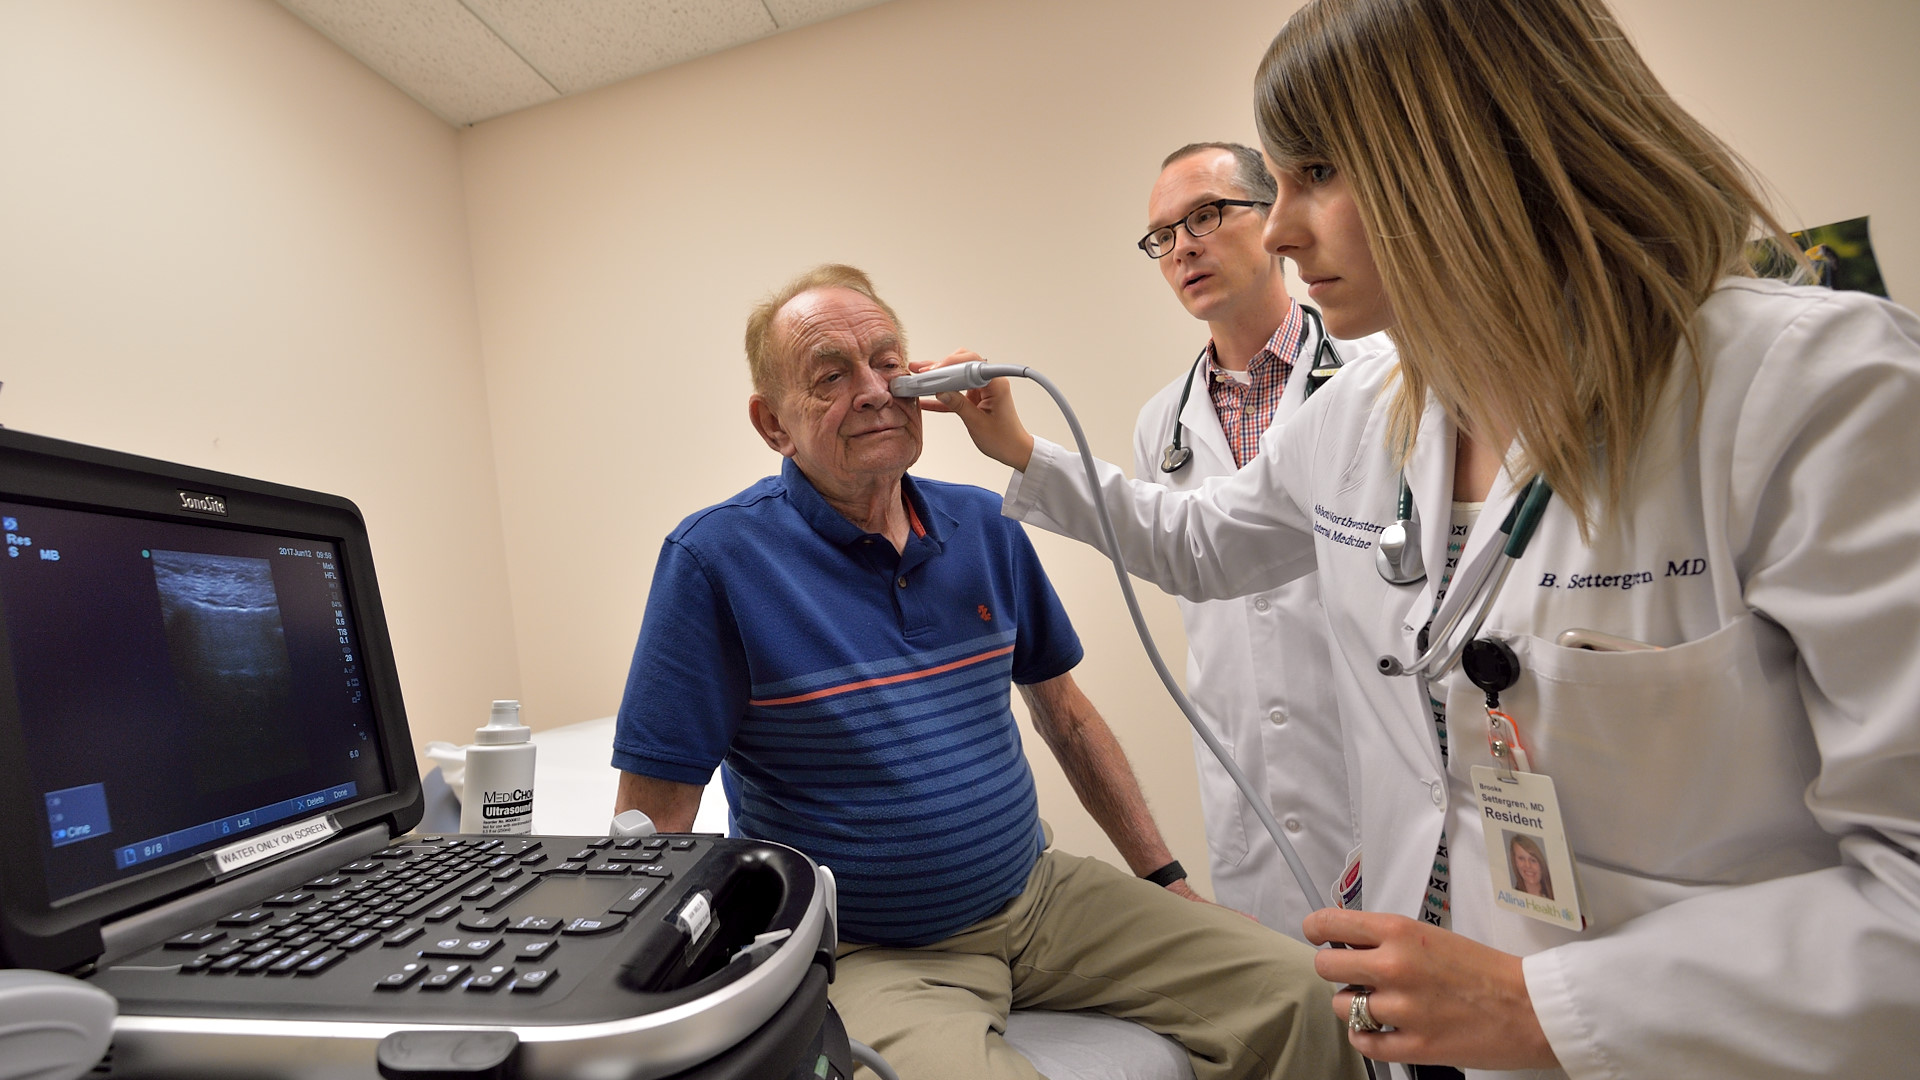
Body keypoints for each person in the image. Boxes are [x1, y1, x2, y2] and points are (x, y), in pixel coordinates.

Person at [913, 0, 1920, 1075]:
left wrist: (1553, 1008)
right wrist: (1026, 455)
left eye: (1315, 174)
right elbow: (1202, 544)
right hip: (1426, 1013)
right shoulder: (1357, 419)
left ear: (1481, 148)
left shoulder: (1813, 394)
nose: (1284, 230)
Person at [609, 263, 1361, 1080]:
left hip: (1038, 900)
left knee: (1304, 992)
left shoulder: (985, 524)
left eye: (888, 361)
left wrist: (1164, 877)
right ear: (773, 424)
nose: (873, 390)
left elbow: (1066, 716)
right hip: (871, 952)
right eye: (831, 377)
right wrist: (669, 1008)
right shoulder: (717, 562)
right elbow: (654, 820)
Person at [1131, 141, 1364, 938]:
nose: (1183, 247)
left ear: (1272, 220)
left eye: (1204, 216)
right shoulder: (1160, 424)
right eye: (1163, 236)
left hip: (1371, 758)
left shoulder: (1376, 370)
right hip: (1248, 790)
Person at [1506, 835, 1550, 901]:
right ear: (1515, 862)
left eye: (1533, 860)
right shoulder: (1510, 898)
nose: (1528, 865)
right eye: (1521, 858)